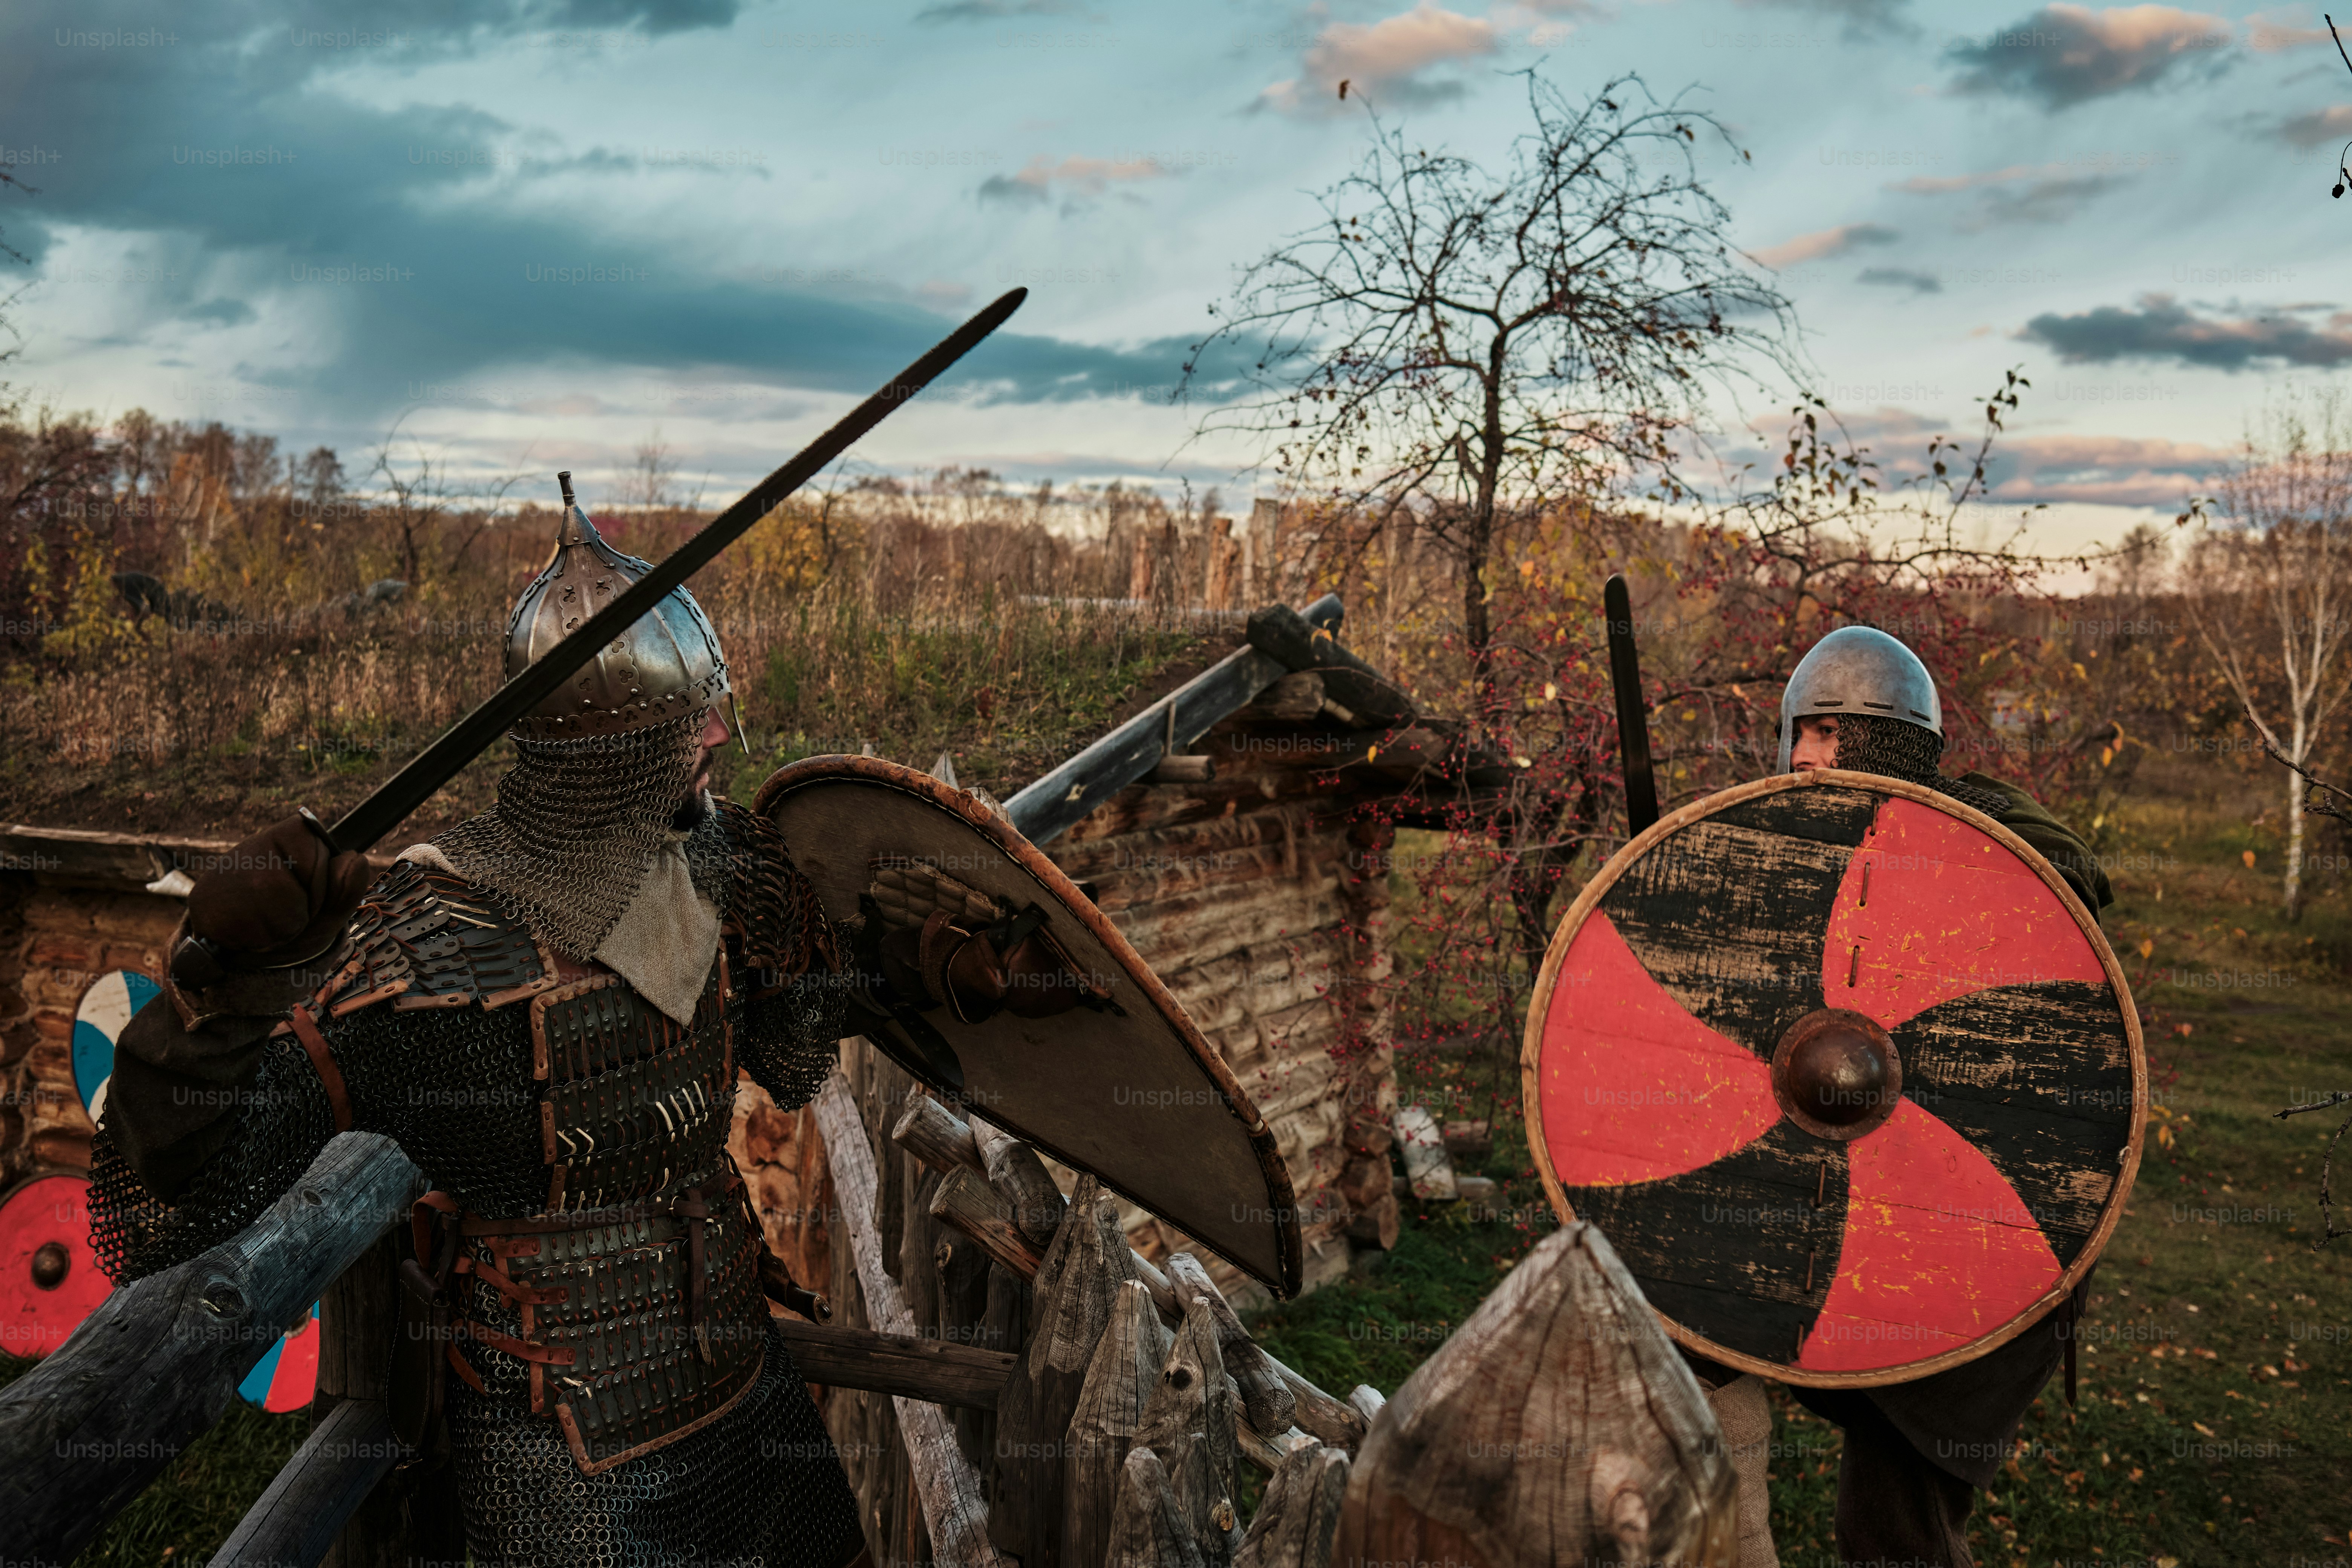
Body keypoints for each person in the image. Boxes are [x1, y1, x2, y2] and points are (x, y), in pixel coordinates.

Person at [87, 487, 868, 1568]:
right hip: (561, 1449)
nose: (722, 732)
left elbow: (797, 1042)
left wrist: (951, 956)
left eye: (713, 703)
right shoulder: (441, 940)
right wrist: (216, 995)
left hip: (741, 1378)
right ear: (610, 746)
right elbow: (178, 1192)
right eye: (694, 716)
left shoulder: (718, 862)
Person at [1697, 624, 2112, 1568]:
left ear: (1888, 747)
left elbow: (2036, 1087)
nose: (1806, 755)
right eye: (1802, 729)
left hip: (1982, 1243)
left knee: (1896, 1536)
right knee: (1691, 1348)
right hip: (1859, 1210)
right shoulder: (1828, 864)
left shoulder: (1986, 868)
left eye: (1833, 731)